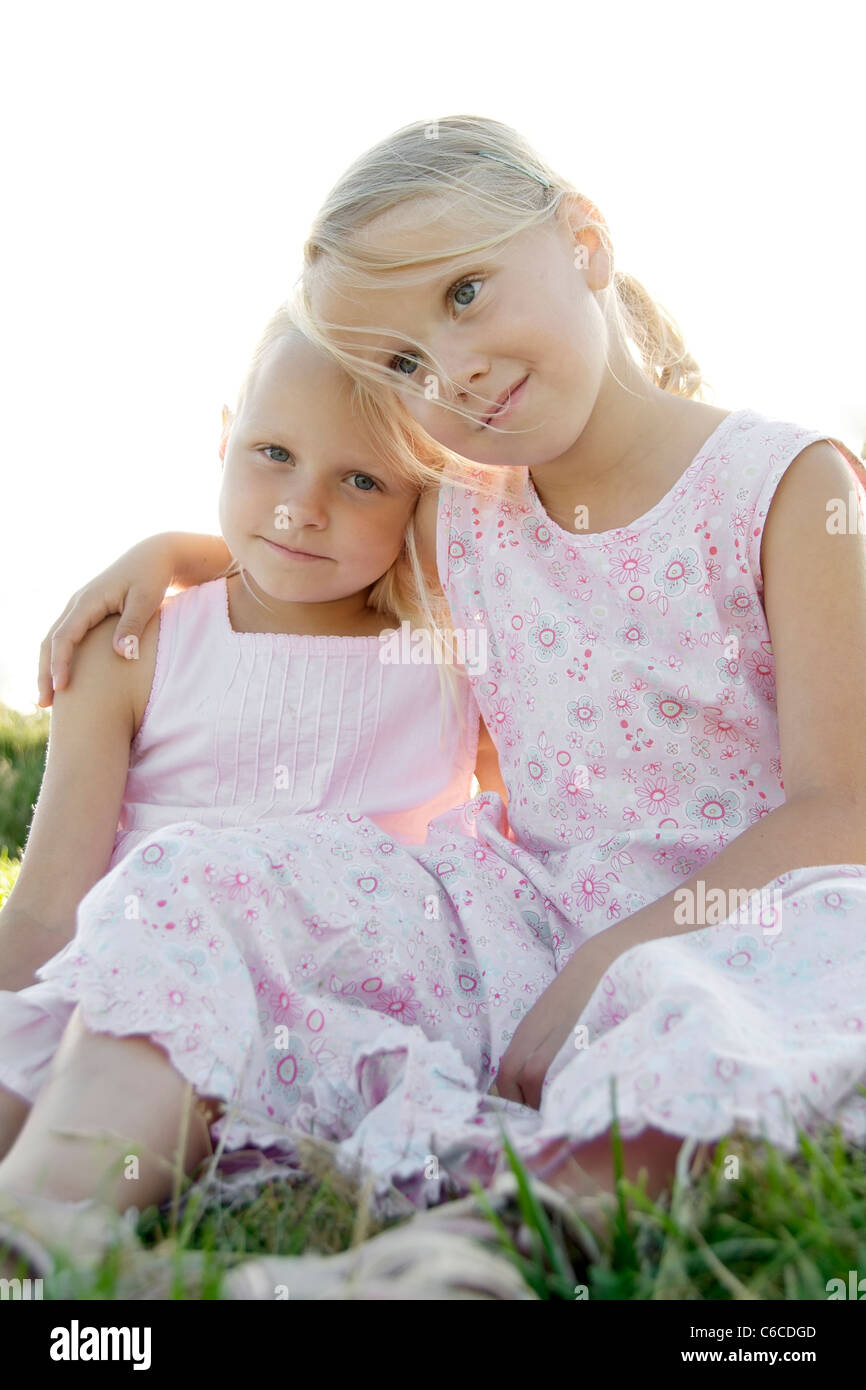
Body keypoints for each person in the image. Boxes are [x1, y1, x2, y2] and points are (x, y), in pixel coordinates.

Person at [33, 115, 866, 1213]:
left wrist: (613, 956)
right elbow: (317, 536)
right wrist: (174, 552)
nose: (454, 371)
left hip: (753, 923)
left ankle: (478, 1248)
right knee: (205, 878)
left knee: (720, 1028)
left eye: (463, 292)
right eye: (402, 363)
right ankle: (44, 1220)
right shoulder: (463, 511)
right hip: (514, 925)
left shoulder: (791, 488)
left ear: (584, 240)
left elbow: (842, 806)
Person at [0, 303, 541, 1277]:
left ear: (421, 501)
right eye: (271, 453)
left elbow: (507, 850)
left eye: (362, 479)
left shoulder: (449, 659)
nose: (302, 506)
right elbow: (46, 902)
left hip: (326, 1007)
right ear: (221, 436)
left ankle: (45, 1231)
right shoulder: (135, 646)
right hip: (135, 1002)